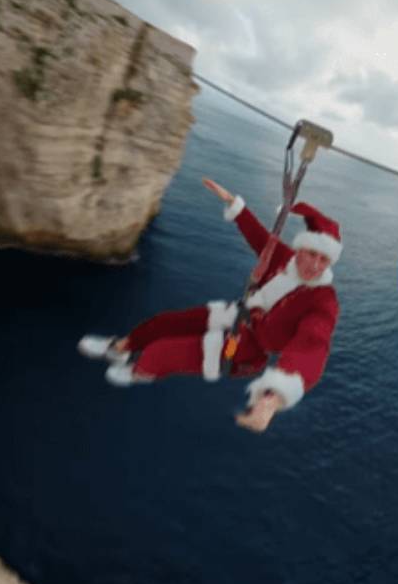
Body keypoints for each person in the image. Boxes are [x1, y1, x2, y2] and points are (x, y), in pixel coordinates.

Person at [77, 178, 342, 434]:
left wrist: (273, 397)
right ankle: (121, 348)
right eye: (312, 254)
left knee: (166, 351)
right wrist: (235, 205)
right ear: (300, 249)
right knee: (164, 324)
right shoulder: (286, 260)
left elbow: (313, 343)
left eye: (324, 260)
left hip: (247, 348)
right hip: (238, 315)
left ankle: (140, 370)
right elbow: (260, 238)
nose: (315, 265)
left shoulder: (323, 300)